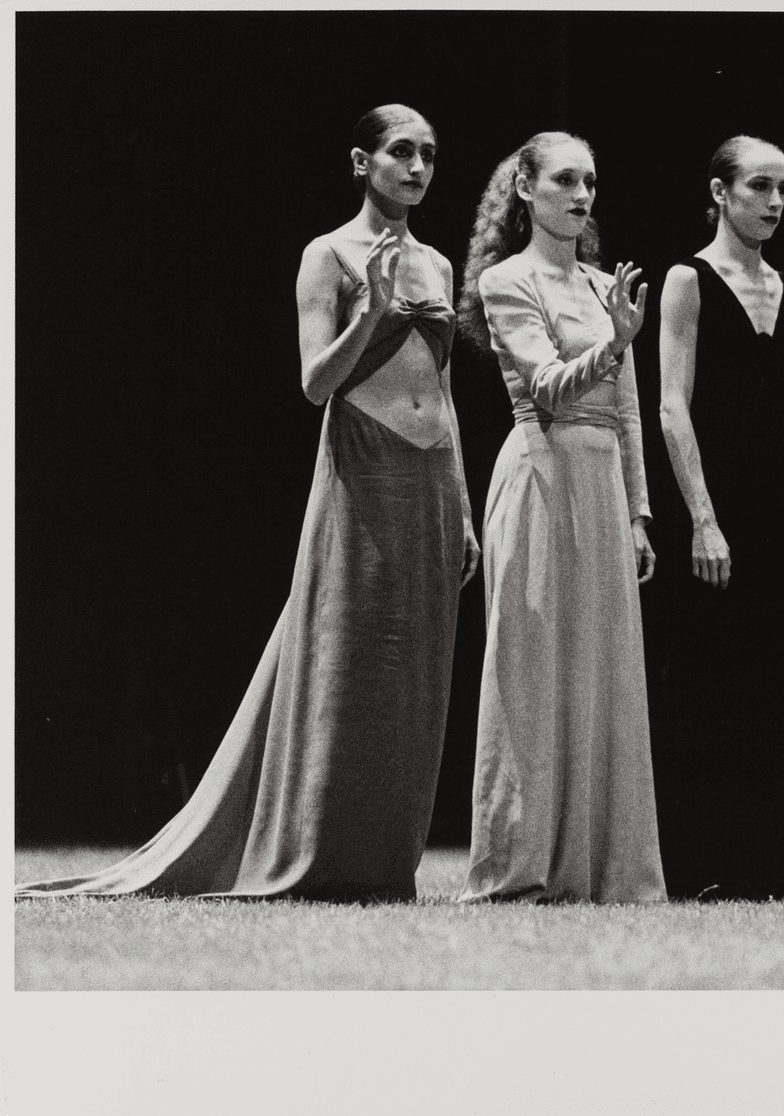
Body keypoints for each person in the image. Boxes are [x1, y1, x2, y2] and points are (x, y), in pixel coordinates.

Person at [17, 104, 478, 902]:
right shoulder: (326, 254)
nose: (417, 168)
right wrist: (369, 310)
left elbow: (444, 388)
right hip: (365, 467)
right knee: (352, 657)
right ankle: (320, 852)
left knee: (418, 673)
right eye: (400, 152)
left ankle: (382, 860)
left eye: (429, 155)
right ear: (361, 162)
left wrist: (465, 502)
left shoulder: (436, 264)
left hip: (434, 475)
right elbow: (314, 384)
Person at [456, 132, 665, 904]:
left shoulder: (607, 283)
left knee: (602, 666)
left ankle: (603, 863)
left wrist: (641, 512)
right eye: (567, 180)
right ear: (524, 188)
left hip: (603, 480)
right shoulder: (506, 280)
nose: (582, 195)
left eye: (592, 182)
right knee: (534, 669)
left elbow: (631, 414)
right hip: (542, 476)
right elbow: (545, 385)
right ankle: (523, 860)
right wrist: (613, 341)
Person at [656, 136, 784, 900]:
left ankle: (770, 868)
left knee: (777, 684)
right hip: (715, 498)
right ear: (721, 192)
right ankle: (704, 864)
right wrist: (702, 518)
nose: (774, 201)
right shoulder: (687, 280)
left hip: (780, 505)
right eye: (759, 186)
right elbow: (671, 405)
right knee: (710, 680)